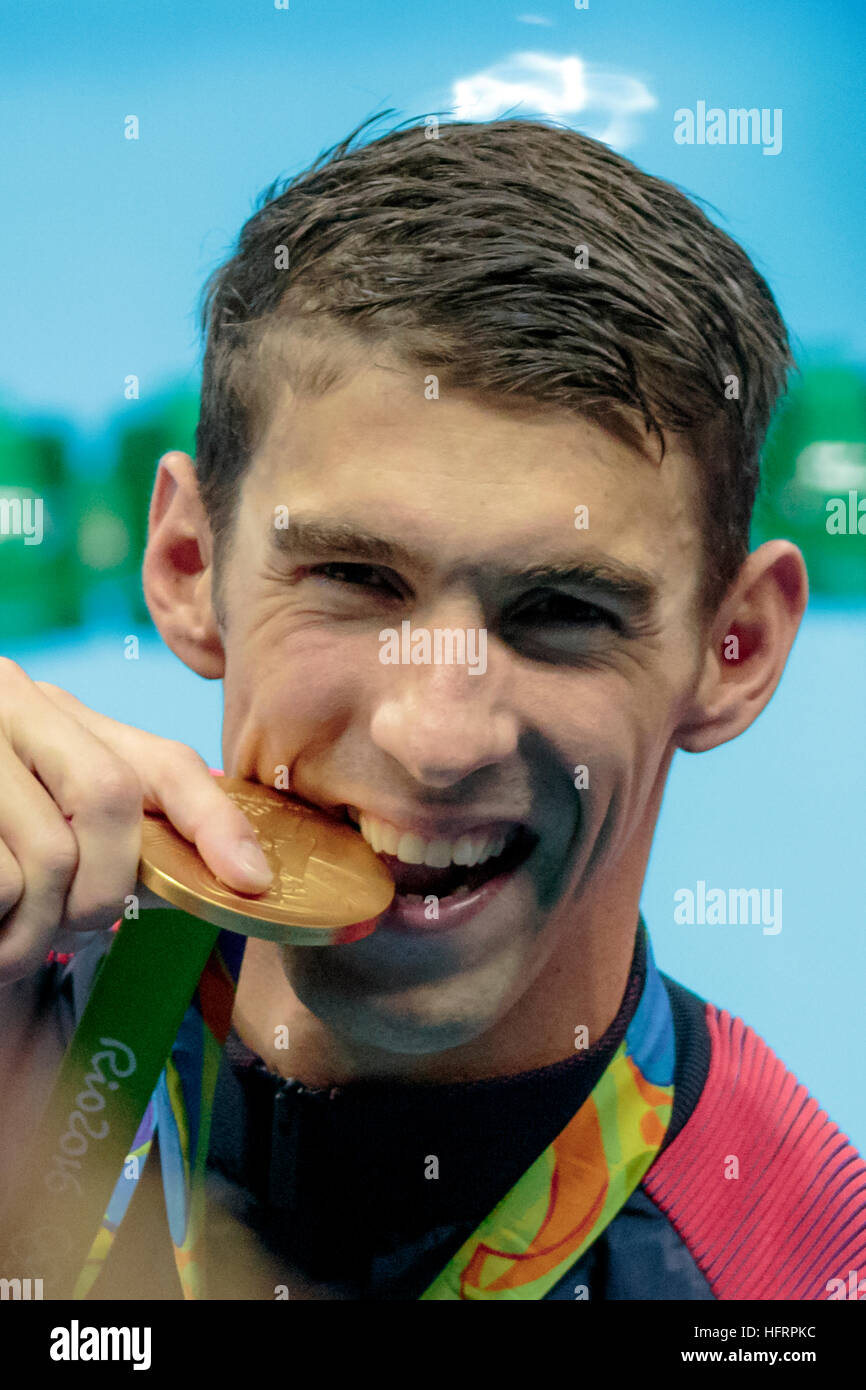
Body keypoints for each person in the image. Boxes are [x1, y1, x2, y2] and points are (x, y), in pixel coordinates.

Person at [1, 115, 864, 1301]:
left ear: (735, 646)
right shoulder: (11, 1008)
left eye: (560, 609)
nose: (435, 735)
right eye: (355, 580)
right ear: (191, 568)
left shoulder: (788, 1270)